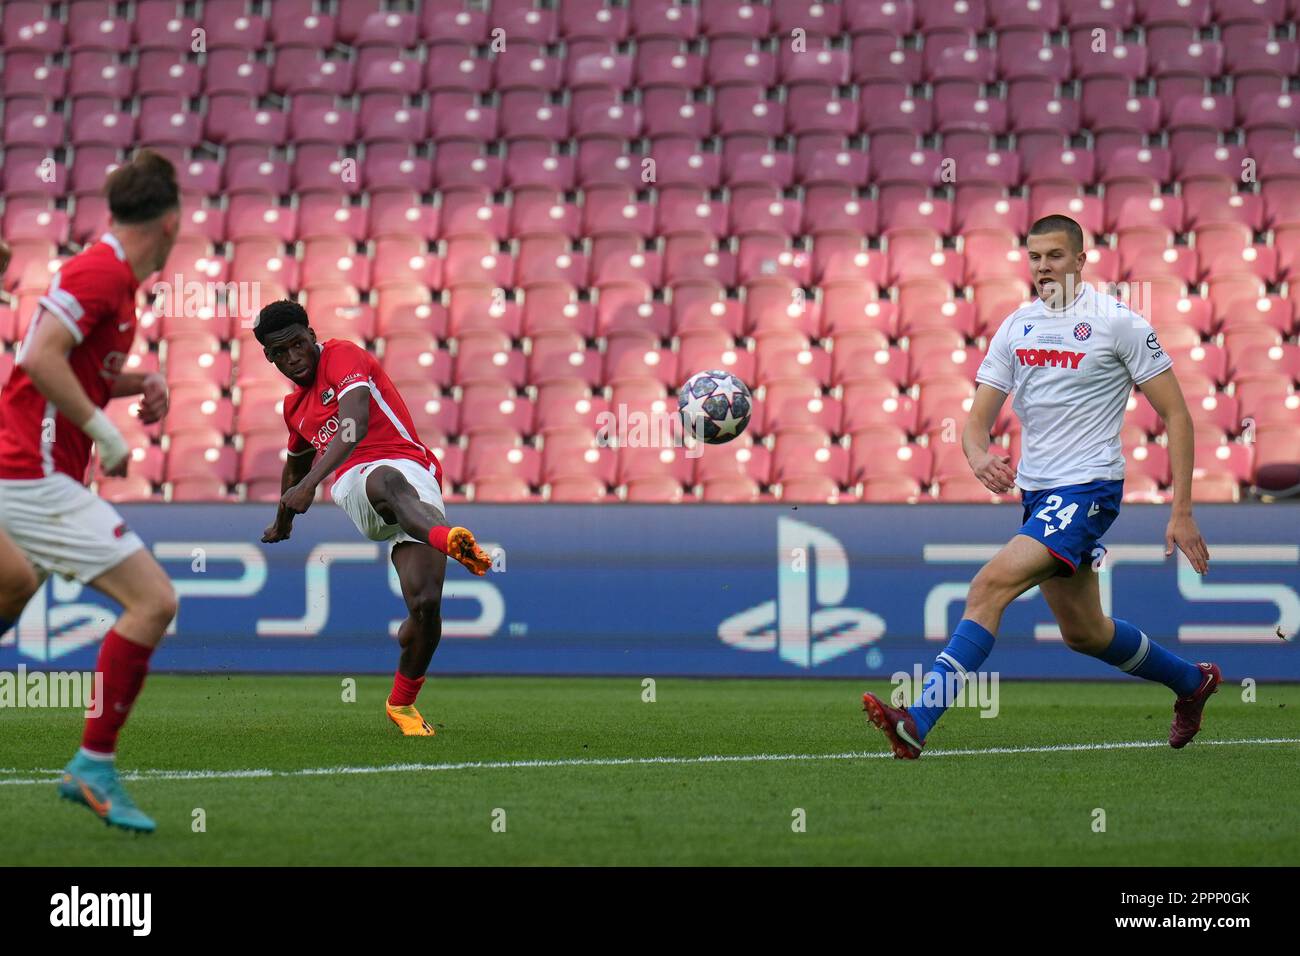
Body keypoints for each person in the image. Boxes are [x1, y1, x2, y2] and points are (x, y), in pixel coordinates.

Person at [862, 215, 1219, 759]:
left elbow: (1177, 415)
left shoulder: (1117, 322)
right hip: (1038, 496)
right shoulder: (1016, 326)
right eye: (1035, 257)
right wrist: (978, 454)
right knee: (1086, 633)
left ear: (1080, 260)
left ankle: (918, 719)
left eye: (1055, 256)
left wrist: (1183, 510)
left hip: (1088, 490)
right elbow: (977, 420)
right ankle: (1192, 682)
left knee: (988, 587)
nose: (1044, 267)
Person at [0, 150, 182, 829]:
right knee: (153, 601)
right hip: (33, 475)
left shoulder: (115, 281)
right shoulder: (100, 271)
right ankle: (93, 765)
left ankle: (93, 765)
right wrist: (103, 433)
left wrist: (139, 382)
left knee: (13, 590)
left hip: (26, 471)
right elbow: (38, 356)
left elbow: (73, 365)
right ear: (171, 223)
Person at [255, 299, 492, 737]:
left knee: (425, 606)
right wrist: (284, 519)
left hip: (415, 473)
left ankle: (401, 705)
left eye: (297, 344)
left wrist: (308, 487)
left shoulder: (342, 355)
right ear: (269, 358)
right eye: (279, 353)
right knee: (384, 481)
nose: (292, 358)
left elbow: (354, 425)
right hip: (356, 484)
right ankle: (448, 539)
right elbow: (295, 467)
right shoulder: (295, 409)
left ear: (312, 334)